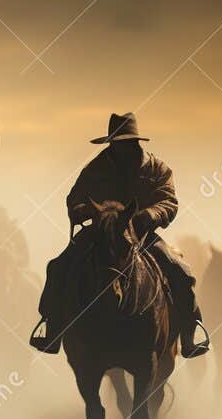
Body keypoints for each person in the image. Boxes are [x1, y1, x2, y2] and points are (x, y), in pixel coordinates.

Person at [35, 112, 209, 359]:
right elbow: (75, 199)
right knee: (58, 267)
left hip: (142, 235)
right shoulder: (95, 168)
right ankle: (52, 328)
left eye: (126, 143)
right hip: (101, 235)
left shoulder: (157, 169)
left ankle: (190, 333)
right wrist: (92, 212)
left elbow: (168, 201)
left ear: (136, 142)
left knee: (181, 271)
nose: (121, 148)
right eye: (117, 143)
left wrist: (149, 215)